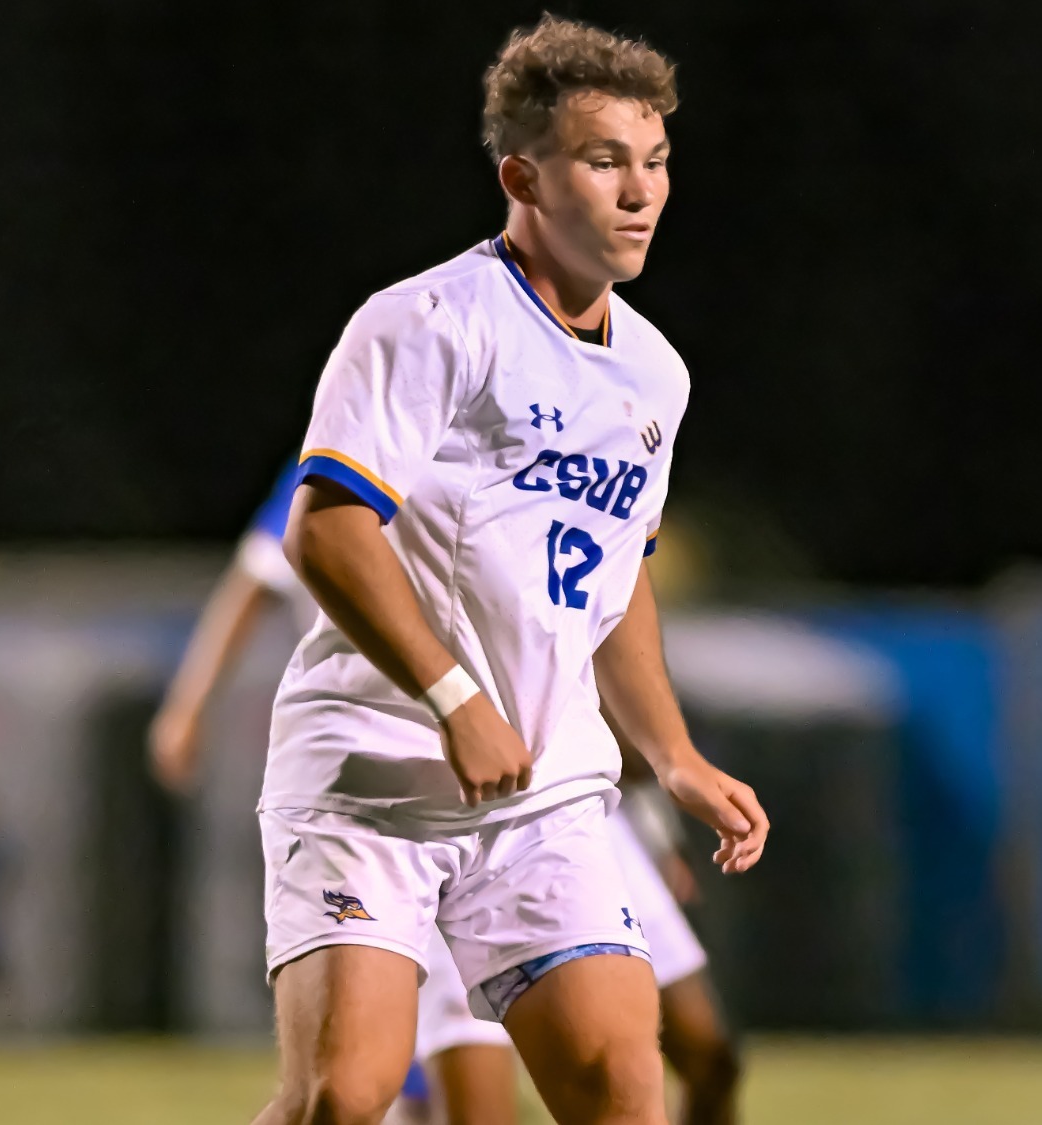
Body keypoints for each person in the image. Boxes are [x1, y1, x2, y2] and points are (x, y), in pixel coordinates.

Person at [251, 16, 767, 1125]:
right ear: (519, 175)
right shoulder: (429, 321)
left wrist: (668, 754)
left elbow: (614, 576)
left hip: (544, 800)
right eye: (602, 161)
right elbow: (326, 531)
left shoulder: (654, 375)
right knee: (342, 1099)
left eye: (655, 163)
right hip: (375, 777)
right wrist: (454, 699)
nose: (639, 192)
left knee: (620, 1089)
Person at [152, 466, 740, 1125]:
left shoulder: (588, 419)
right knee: (359, 1095)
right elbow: (275, 562)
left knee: (683, 1062)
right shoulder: (367, 429)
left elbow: (593, 627)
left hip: (559, 802)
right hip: (408, 800)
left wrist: (659, 809)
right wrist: (187, 708)